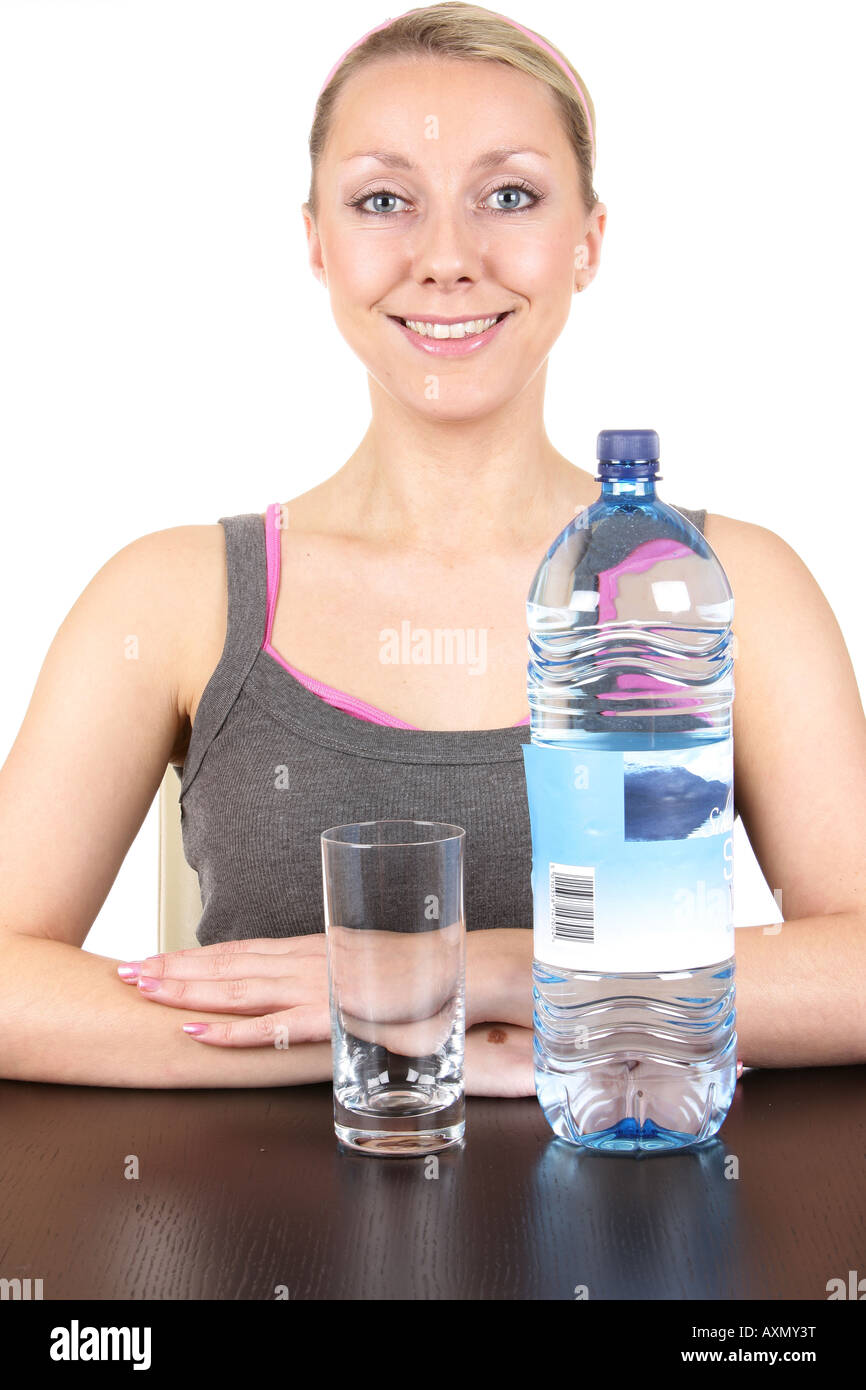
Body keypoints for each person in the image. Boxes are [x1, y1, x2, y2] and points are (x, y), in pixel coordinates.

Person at [1, 3, 864, 1098]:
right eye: (382, 201)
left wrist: (465, 973)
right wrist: (385, 1029)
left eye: (508, 196)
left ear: (588, 239)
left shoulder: (716, 582)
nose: (447, 257)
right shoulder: (171, 596)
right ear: (315, 241)